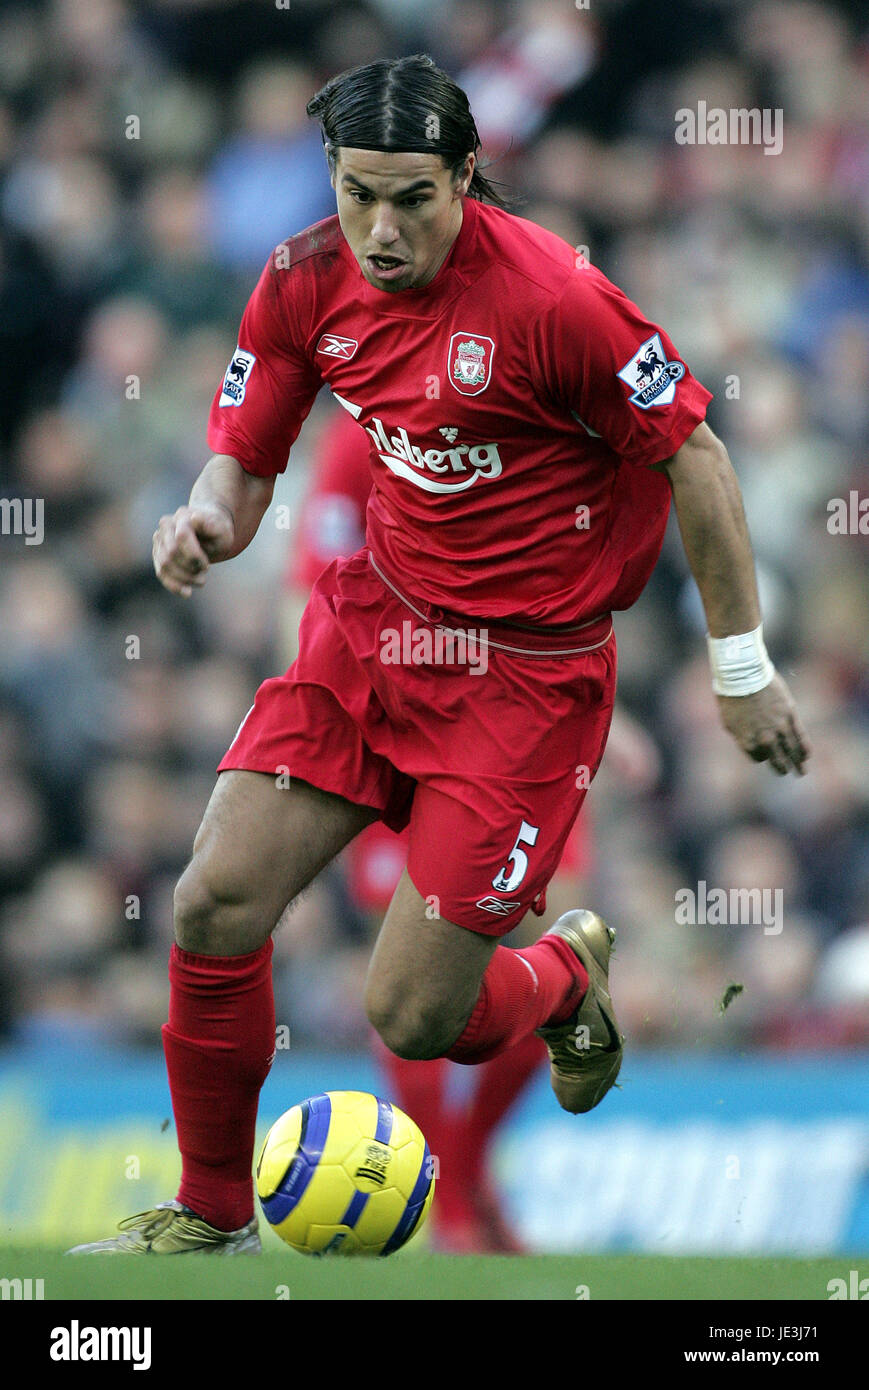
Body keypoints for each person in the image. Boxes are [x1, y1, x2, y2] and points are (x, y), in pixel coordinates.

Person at [70, 54, 809, 1256]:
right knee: (212, 900)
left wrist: (739, 670)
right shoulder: (304, 277)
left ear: (467, 175)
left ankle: (564, 979)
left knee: (414, 1015)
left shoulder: (554, 297)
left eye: (413, 195)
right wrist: (207, 519)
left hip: (527, 677)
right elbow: (247, 460)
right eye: (358, 191)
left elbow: (699, 458)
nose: (381, 226)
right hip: (374, 628)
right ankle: (210, 1216)